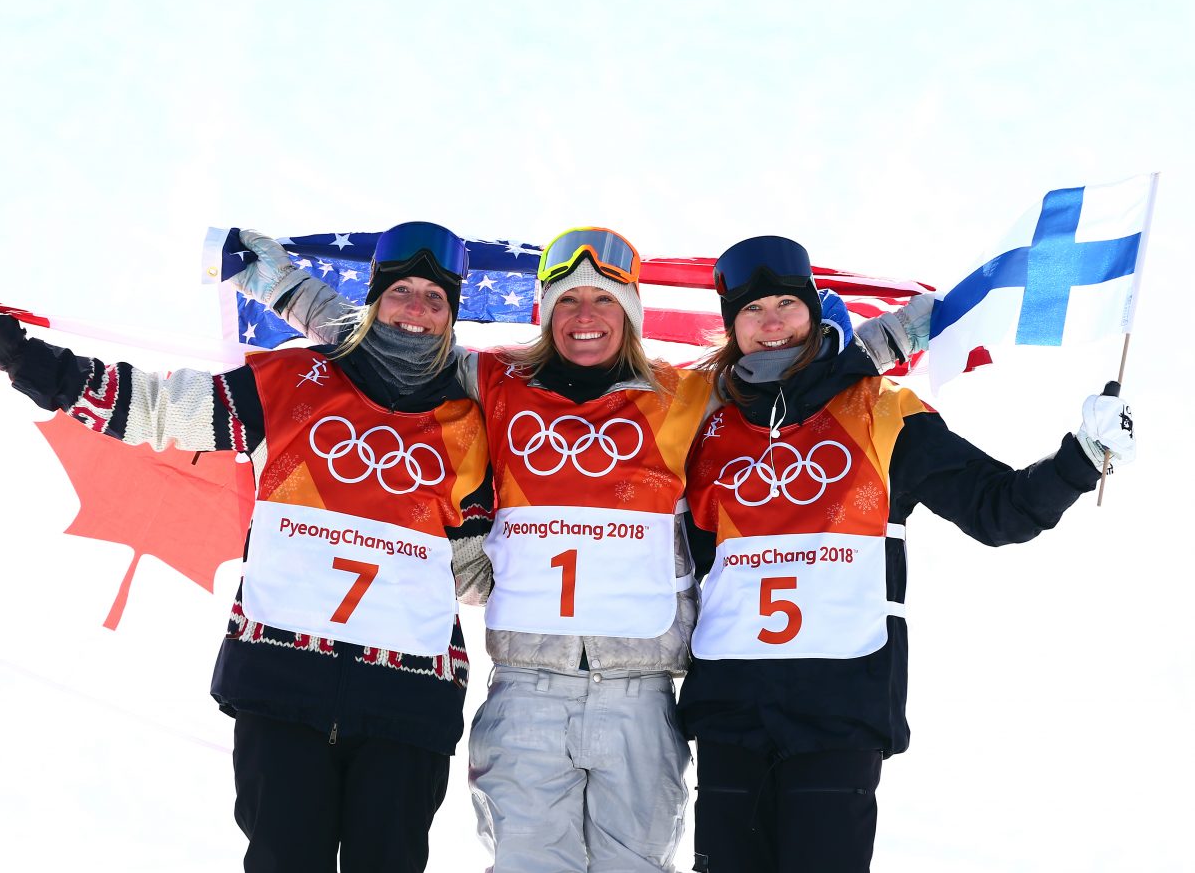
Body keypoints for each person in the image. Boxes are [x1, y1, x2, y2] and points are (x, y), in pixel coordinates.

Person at [231, 225, 927, 872]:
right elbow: (402, 344)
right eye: (568, 300)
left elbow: (793, 372)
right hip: (530, 692)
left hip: (639, 695)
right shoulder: (500, 384)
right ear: (546, 313)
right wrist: (291, 291)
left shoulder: (684, 395)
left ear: (630, 313)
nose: (584, 314)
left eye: (604, 299)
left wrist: (908, 331)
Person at [0, 221, 494, 873]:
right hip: (281, 682)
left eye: (434, 298)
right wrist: (35, 365)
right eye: (401, 292)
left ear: (451, 316)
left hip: (409, 704)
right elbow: (157, 409)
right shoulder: (292, 381)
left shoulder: (474, 422)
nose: (415, 308)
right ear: (375, 297)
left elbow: (476, 573)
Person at [678, 235, 1137, 873]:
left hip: (837, 710)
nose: (773, 322)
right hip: (731, 707)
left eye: (787, 302)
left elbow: (996, 508)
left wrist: (1081, 458)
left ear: (814, 310)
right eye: (753, 311)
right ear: (731, 327)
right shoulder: (704, 428)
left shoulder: (884, 412)